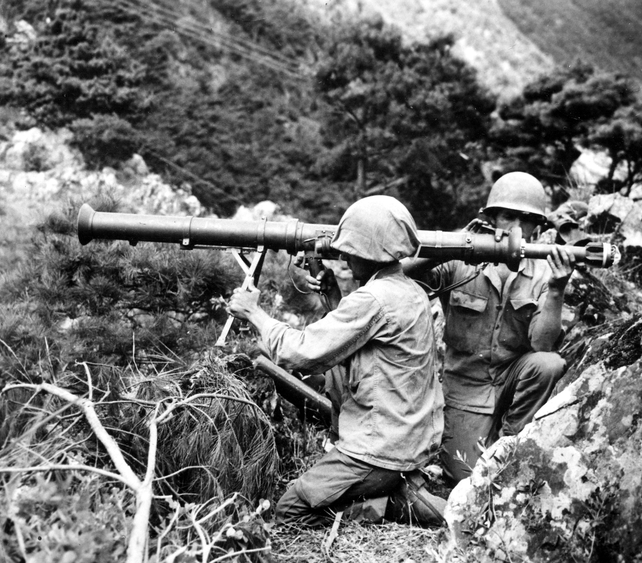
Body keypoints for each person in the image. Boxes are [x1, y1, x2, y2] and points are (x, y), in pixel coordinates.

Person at [228, 195, 445, 526]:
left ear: (369, 252)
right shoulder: (407, 290)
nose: (344, 256)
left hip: (379, 451)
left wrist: (254, 313)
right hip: (405, 445)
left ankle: (384, 507)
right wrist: (333, 296)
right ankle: (398, 493)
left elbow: (298, 354)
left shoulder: (373, 298)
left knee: (289, 510)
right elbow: (359, 343)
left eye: (351, 249)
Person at [405, 172, 576, 483]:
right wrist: (451, 248)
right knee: (467, 477)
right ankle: (486, 444)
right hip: (465, 390)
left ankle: (515, 440)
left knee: (548, 364)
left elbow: (542, 346)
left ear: (537, 225)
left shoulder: (543, 272)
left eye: (526, 219)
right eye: (508, 216)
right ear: (492, 218)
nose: (516, 228)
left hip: (512, 383)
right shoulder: (462, 261)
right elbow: (404, 279)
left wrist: (555, 290)